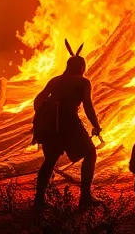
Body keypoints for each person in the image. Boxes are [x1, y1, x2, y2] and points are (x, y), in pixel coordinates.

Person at [31, 39, 102, 212]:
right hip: (69, 123)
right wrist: (96, 125)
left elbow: (38, 99)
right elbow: (88, 106)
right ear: (82, 67)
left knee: (50, 160)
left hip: (51, 125)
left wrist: (44, 116)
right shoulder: (83, 82)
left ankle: (39, 198)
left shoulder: (55, 80)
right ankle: (85, 196)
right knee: (90, 153)